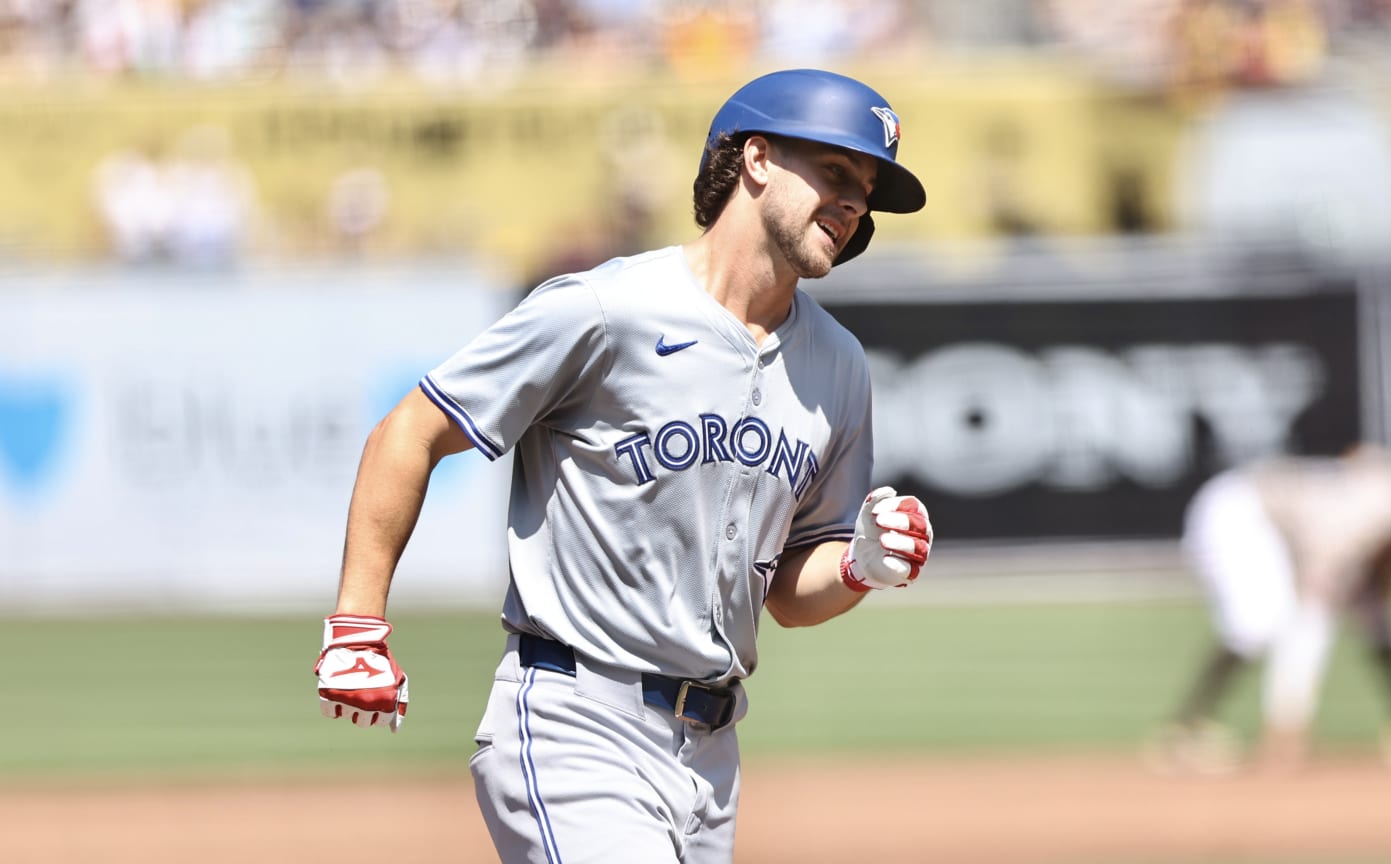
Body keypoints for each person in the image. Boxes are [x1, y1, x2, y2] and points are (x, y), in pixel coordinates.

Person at [312, 68, 936, 863]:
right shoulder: (608, 310)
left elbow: (788, 597)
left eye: (867, 187)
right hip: (577, 720)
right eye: (836, 171)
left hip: (711, 759)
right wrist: (358, 623)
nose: (854, 201)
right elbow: (408, 432)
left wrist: (857, 567)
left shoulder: (838, 366)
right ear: (756, 160)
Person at [1150, 442, 1391, 775]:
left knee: (1379, 619)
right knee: (1259, 619)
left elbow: (1358, 453)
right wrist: (1288, 727)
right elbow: (1310, 622)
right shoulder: (1344, 535)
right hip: (1239, 511)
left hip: (1274, 514)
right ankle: (1187, 731)